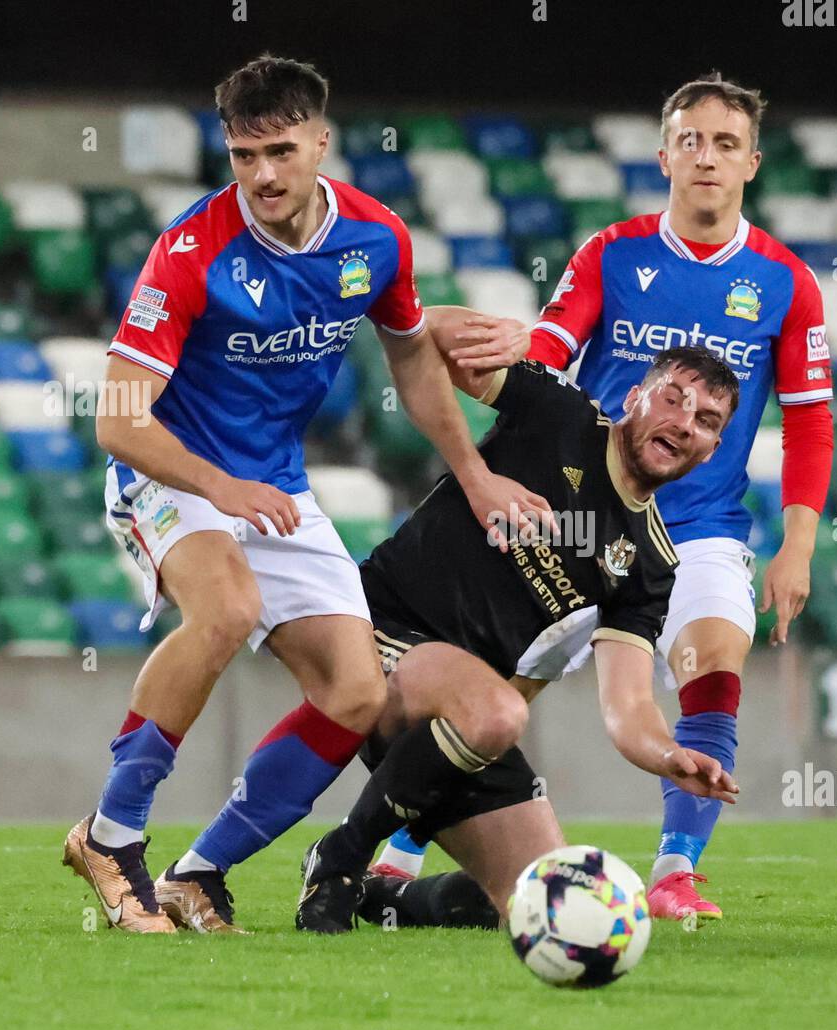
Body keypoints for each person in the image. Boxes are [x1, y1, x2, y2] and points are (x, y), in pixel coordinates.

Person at [61, 55, 549, 933]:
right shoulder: (189, 251)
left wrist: (474, 476)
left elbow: (412, 358)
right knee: (221, 610)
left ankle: (198, 872)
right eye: (243, 156)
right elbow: (118, 421)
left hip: (272, 485)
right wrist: (223, 486)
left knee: (358, 693)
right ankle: (111, 835)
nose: (263, 175)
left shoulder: (375, 240)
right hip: (173, 472)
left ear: (322, 143)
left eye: (281, 151)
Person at [371, 74, 835, 921]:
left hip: (700, 525)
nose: (706, 156)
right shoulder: (612, 253)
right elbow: (549, 350)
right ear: (664, 156)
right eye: (690, 140)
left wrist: (797, 542)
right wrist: (514, 341)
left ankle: (676, 868)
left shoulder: (786, 283)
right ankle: (398, 846)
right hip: (594, 515)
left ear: (752, 164)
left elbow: (810, 423)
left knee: (711, 667)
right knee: (508, 691)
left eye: (725, 143)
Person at [295, 328, 742, 934]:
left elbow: (629, 706)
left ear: (712, 449)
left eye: (708, 420)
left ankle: (384, 901)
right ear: (634, 396)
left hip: (469, 724)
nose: (687, 423)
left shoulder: (651, 562)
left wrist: (668, 756)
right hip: (381, 637)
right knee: (498, 712)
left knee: (554, 906)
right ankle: (342, 857)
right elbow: (417, 331)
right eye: (674, 399)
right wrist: (504, 331)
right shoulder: (561, 414)